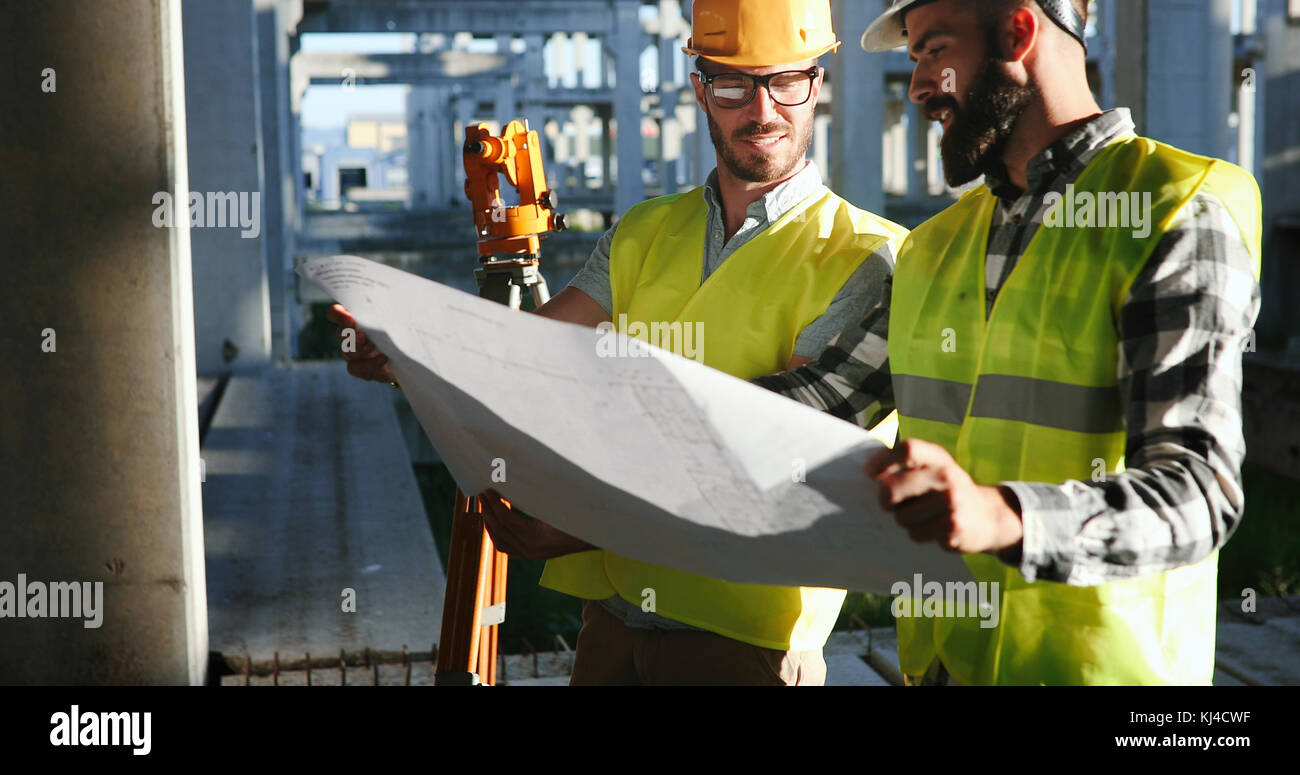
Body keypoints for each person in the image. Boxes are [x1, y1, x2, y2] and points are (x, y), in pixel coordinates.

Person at [329, 0, 908, 685]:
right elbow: (531, 357)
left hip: (747, 644)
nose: (763, 109)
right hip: (608, 629)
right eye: (734, 85)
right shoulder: (643, 232)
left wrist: (584, 522)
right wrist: (411, 356)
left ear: (817, 84)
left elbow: (771, 455)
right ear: (700, 89)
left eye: (785, 82)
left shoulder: (866, 258)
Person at [753, 0, 1263, 685]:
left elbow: (1196, 492)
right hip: (943, 669)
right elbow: (822, 402)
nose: (918, 86)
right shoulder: (936, 248)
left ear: (1019, 33)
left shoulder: (1170, 212)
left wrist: (1005, 515)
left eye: (934, 51)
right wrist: (622, 416)